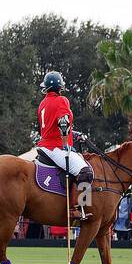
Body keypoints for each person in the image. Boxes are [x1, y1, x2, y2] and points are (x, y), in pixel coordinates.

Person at [35, 70, 93, 222]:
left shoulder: (43, 103)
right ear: (60, 87)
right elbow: (63, 123)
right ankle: (79, 208)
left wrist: (74, 135)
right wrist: (66, 144)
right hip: (56, 147)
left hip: (44, 146)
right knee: (86, 172)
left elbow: (51, 127)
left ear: (46, 87)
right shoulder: (61, 100)